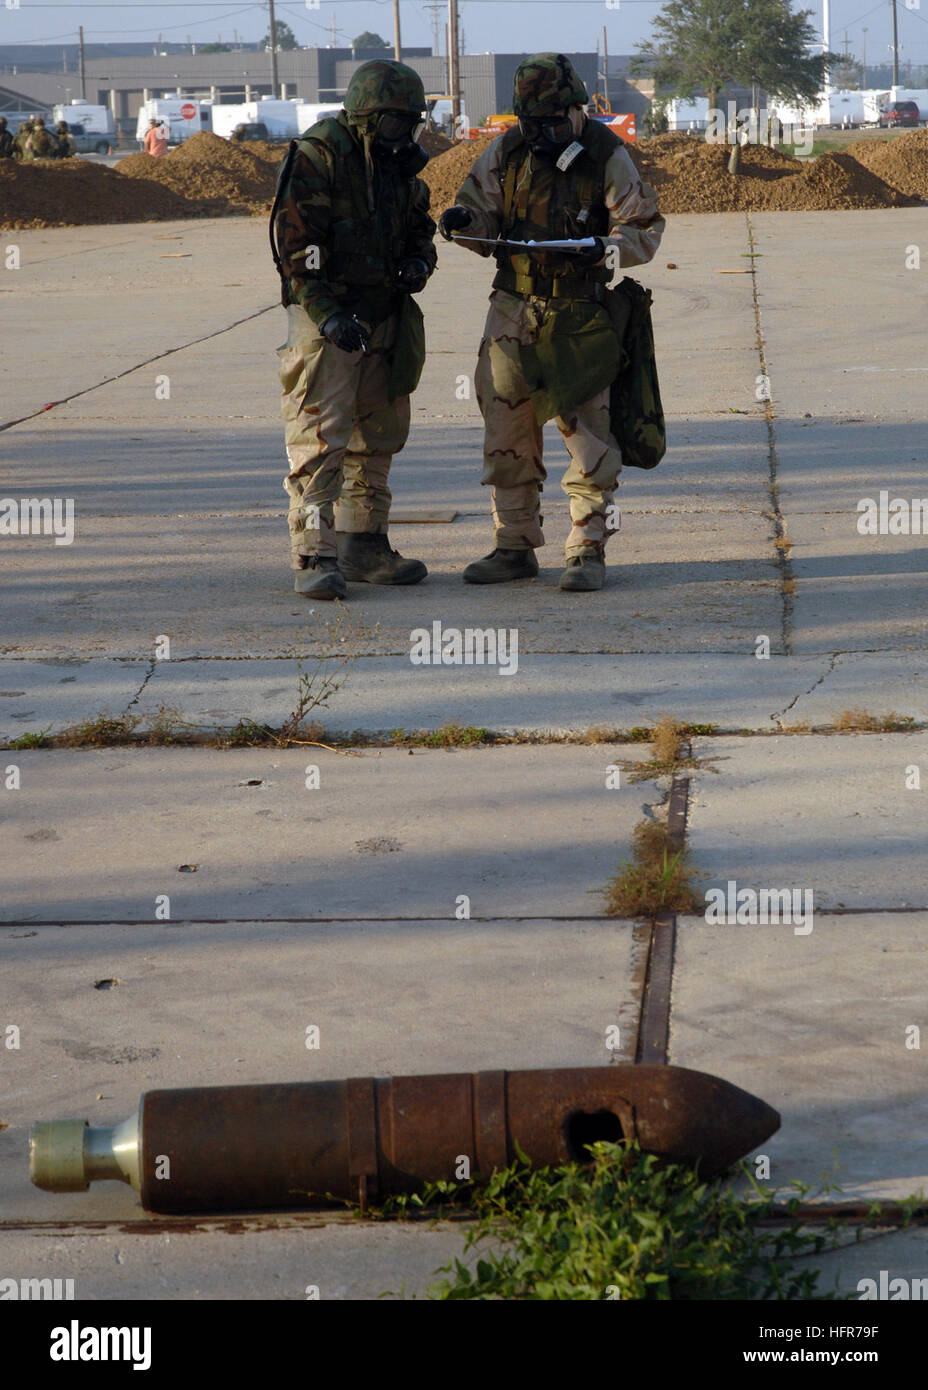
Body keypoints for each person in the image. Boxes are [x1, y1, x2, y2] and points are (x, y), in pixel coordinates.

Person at [440, 53, 665, 591]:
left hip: (580, 315)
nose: (540, 133)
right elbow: (481, 214)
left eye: (550, 122)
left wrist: (603, 252)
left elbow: (645, 228)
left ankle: (588, 550)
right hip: (512, 308)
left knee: (590, 436)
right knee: (506, 428)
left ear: (575, 109)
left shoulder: (607, 154)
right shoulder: (507, 151)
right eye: (530, 122)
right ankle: (513, 546)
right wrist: (462, 224)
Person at [270, 59, 437, 599]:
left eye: (411, 124)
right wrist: (329, 315)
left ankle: (363, 544)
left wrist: (419, 263)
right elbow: (297, 250)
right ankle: (313, 554)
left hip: (384, 314)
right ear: (368, 118)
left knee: (378, 435)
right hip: (328, 316)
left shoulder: (398, 164)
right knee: (320, 437)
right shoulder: (320, 157)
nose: (405, 135)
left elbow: (420, 230)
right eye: (397, 123)